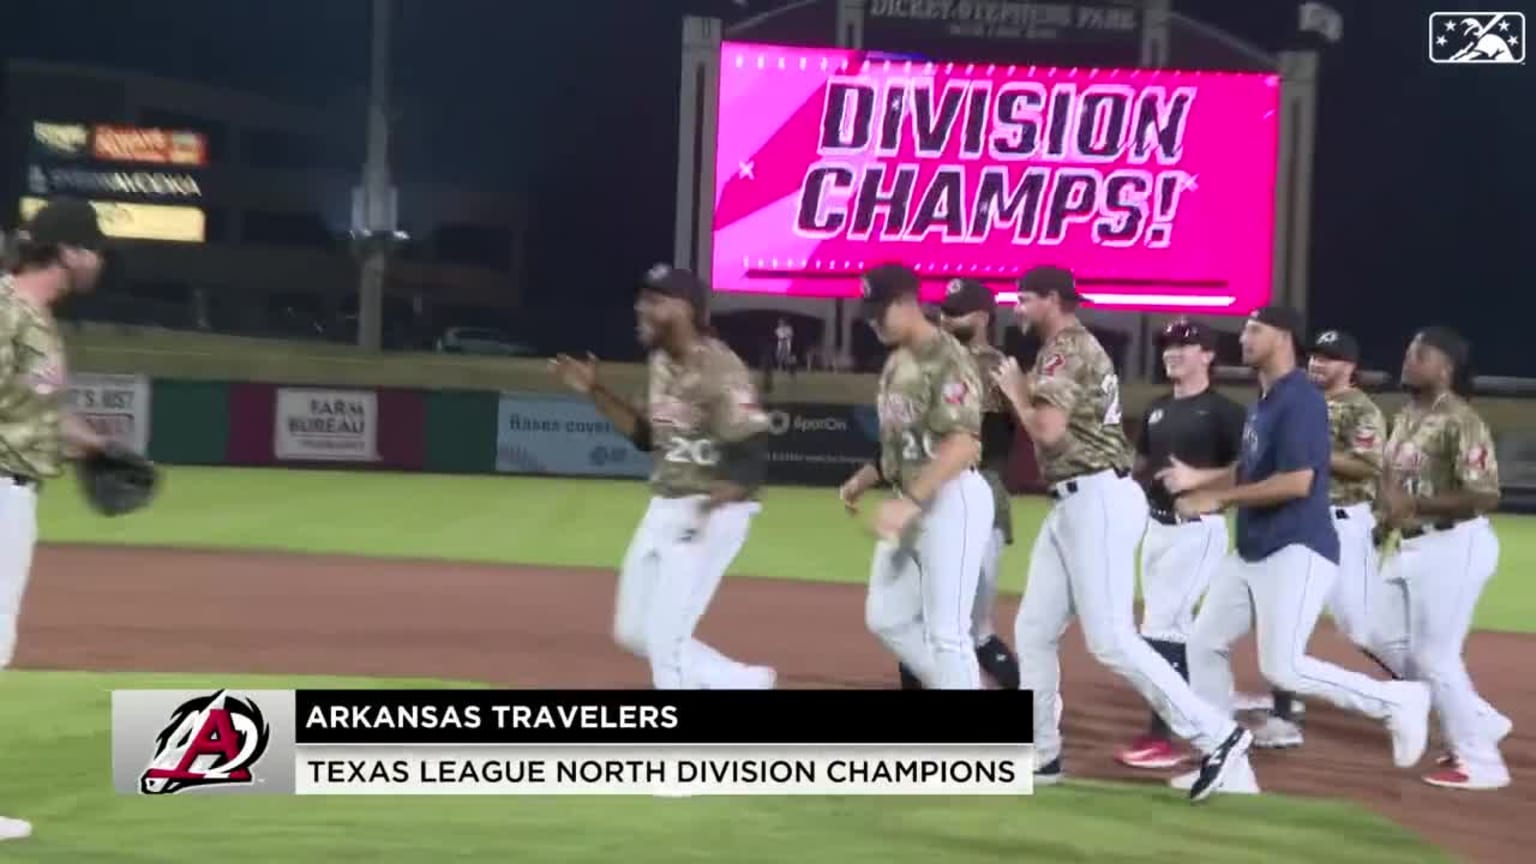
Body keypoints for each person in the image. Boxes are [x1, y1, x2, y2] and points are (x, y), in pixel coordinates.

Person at [991, 265, 1250, 802]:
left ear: (1054, 301)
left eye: (1024, 298)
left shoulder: (1066, 349)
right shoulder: (1067, 349)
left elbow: (1048, 432)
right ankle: (1042, 754)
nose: (1016, 308)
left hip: (1095, 500)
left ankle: (1219, 736)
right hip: (1077, 502)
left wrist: (1017, 390)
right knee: (1034, 631)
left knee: (1110, 638)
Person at [1162, 306, 1432, 797]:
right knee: (1204, 644)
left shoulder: (1302, 400)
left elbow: (1297, 482)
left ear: (1283, 337)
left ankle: (1395, 702)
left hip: (1297, 548)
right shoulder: (1264, 402)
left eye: (1254, 329)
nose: (1243, 337)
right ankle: (1225, 759)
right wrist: (1202, 479)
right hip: (1252, 549)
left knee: (1282, 666)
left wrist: (1215, 497)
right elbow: (1251, 471)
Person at [549, 263, 776, 689]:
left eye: (655, 301)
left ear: (686, 309)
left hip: (710, 510)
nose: (642, 308)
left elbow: (751, 449)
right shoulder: (660, 363)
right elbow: (647, 436)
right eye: (642, 299)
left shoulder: (721, 369)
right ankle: (742, 683)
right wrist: (596, 392)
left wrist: (718, 500)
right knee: (632, 632)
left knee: (665, 641)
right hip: (666, 503)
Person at [1, 197, 116, 842]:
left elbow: (29, 408)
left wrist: (95, 446)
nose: (98, 259)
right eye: (93, 247)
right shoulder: (7, 310)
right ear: (67, 252)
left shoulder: (32, 317)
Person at [838, 263, 993, 690]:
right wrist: (864, 481)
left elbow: (962, 444)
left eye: (879, 310)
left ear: (907, 303)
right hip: (915, 496)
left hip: (952, 497)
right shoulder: (895, 363)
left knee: (947, 631)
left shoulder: (947, 356)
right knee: (885, 617)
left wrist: (910, 501)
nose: (871, 321)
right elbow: (899, 448)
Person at [1373, 327, 1511, 790]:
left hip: (1454, 543)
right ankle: (1477, 717)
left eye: (1420, 355)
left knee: (1435, 656)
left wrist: (1417, 507)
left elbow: (1485, 493)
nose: (1409, 359)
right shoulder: (1408, 414)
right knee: (1372, 628)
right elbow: (1395, 489)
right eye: (1410, 351)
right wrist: (1384, 526)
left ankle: (1482, 761)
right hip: (1411, 544)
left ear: (1445, 368)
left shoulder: (1460, 419)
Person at [1116, 318, 1246, 770]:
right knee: (1175, 629)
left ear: (1209, 356)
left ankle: (1164, 735)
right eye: (1169, 346)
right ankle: (1217, 707)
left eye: (1185, 346)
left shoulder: (1226, 411)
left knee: (1160, 630)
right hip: (1156, 530)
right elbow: (1143, 466)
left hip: (1199, 530)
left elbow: (1250, 469)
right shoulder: (1156, 410)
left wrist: (1200, 479)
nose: (1173, 352)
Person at [1254, 329, 1389, 750]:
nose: (1317, 363)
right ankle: (1284, 709)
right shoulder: (1297, 400)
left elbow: (1368, 465)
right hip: (1301, 521)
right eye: (1314, 355)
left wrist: (1308, 453)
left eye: (1329, 357)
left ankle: (1415, 689)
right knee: (1286, 615)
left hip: (1345, 523)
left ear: (1350, 366)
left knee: (1361, 626)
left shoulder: (1360, 409)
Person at [891, 278, 1020, 690]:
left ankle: (1035, 716)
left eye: (957, 311)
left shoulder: (999, 366)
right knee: (918, 618)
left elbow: (1034, 429)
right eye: (944, 310)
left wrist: (1021, 394)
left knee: (970, 628)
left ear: (983, 317)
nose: (947, 317)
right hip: (931, 494)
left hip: (979, 491)